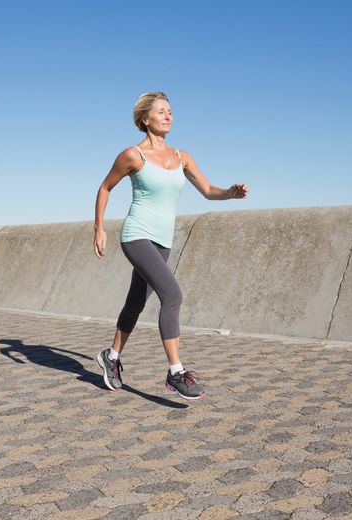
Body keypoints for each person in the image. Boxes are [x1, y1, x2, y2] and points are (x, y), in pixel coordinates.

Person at [93, 92, 249, 400]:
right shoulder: (132, 155)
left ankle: (111, 356)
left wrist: (230, 193)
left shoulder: (182, 157)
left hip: (162, 240)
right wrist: (99, 227)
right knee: (172, 295)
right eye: (161, 112)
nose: (168, 116)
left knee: (136, 301)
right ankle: (176, 372)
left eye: (170, 112)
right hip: (137, 234)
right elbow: (105, 187)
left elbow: (207, 190)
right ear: (145, 119)